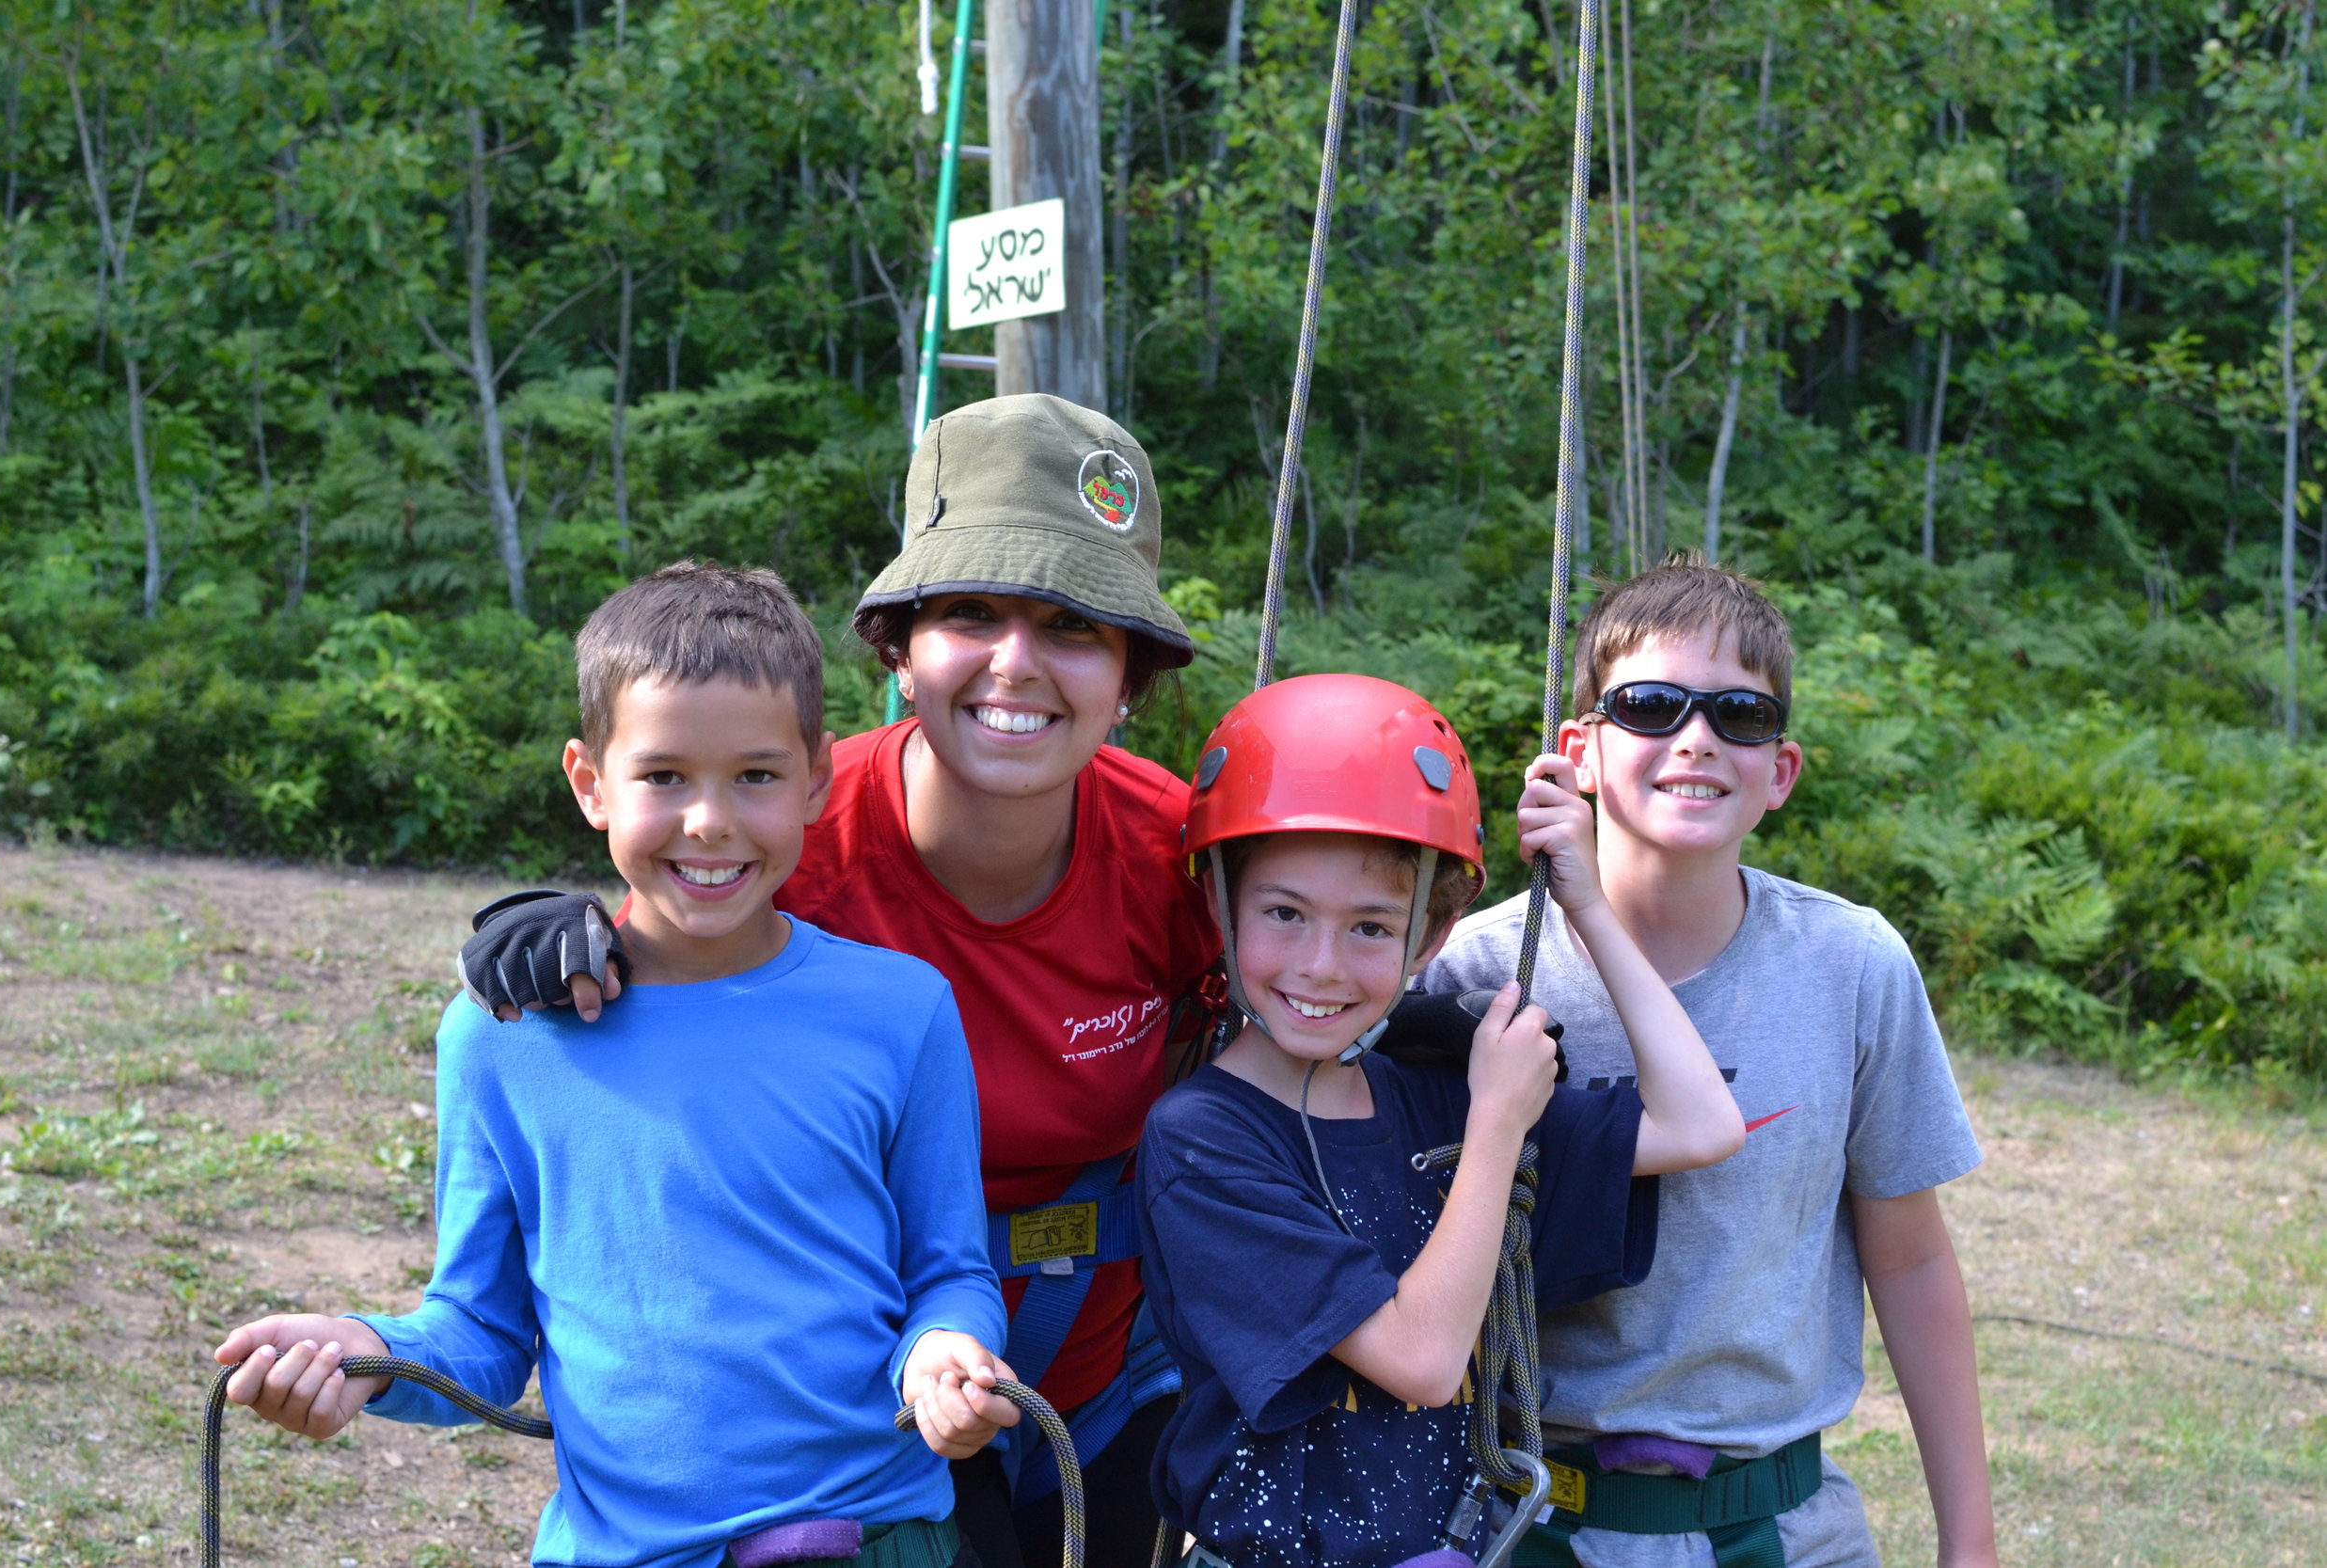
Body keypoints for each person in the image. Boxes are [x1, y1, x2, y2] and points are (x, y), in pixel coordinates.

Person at [454, 395, 1224, 1568]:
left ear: (1129, 676)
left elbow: (1324, 986)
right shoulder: (797, 832)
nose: (1015, 662)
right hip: (865, 1417)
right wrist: (561, 927)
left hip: (1105, 1374)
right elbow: (674, 896)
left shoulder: (1178, 857)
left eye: (1073, 625)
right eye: (969, 613)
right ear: (900, 649)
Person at [212, 565, 1015, 1568]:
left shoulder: (901, 1008)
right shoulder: (499, 1036)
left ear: (818, 777)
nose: (710, 820)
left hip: (882, 1535)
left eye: (756, 775)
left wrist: (943, 1349)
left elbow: (948, 1268)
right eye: (664, 775)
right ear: (591, 782)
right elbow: (479, 1330)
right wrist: (360, 1351)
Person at [1420, 559, 1996, 1568]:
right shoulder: (1477, 971)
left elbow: (1909, 1256)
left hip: (1778, 1522)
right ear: (1581, 751)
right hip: (1524, 1516)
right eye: (1648, 705)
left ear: (1779, 770)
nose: (1694, 738)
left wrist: (1969, 1539)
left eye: (1739, 712)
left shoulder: (1852, 966)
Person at [1134, 673, 1747, 1568]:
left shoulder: (1433, 1093)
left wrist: (1587, 904)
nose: (1321, 964)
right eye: (1283, 912)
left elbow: (1700, 1123)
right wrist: (1498, 1127)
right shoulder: (1204, 1141)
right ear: (1221, 908)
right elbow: (1421, 1360)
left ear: (1430, 941)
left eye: (1372, 928)